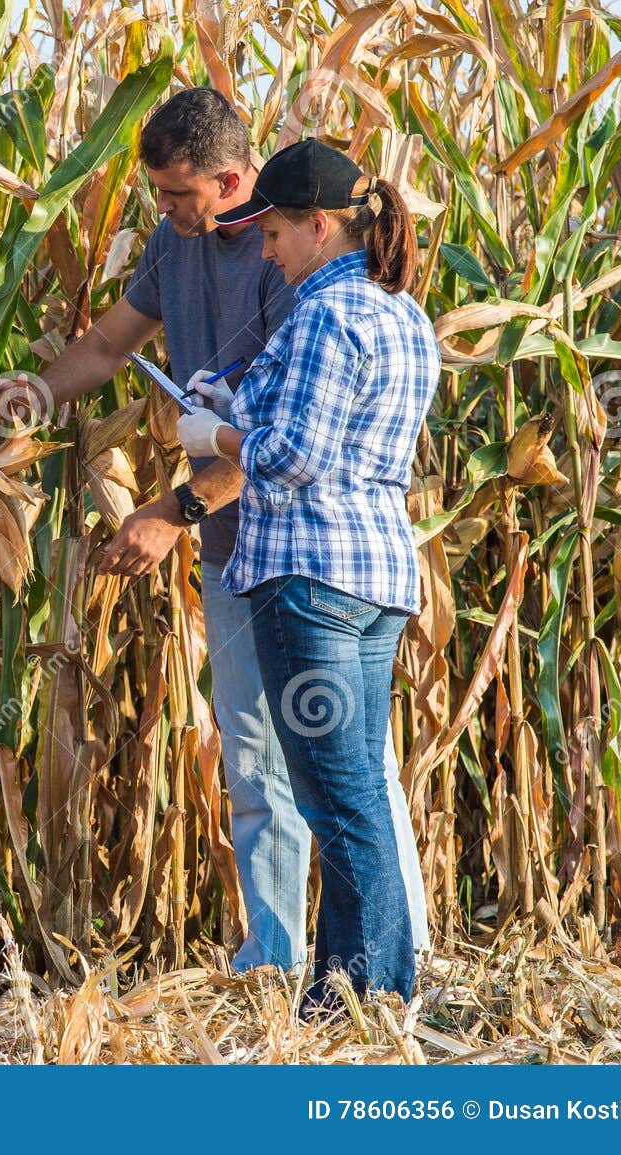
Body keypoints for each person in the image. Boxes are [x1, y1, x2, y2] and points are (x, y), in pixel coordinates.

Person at [0, 89, 429, 973]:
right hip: (246, 557)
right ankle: (280, 962)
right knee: (260, 763)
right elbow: (106, 347)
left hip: (301, 558)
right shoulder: (179, 247)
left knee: (342, 775)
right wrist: (27, 395)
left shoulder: (294, 270)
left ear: (232, 179)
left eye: (180, 196)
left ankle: (388, 966)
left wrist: (175, 508)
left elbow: (286, 444)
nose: (167, 214)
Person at [174, 138, 440, 1007]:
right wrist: (228, 402)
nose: (266, 247)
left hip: (311, 579)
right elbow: (323, 426)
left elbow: (291, 456)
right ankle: (353, 991)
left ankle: (366, 996)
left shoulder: (323, 316)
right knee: (356, 786)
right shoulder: (401, 313)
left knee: (338, 802)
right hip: (377, 579)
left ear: (318, 225)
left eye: (278, 231)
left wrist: (209, 440)